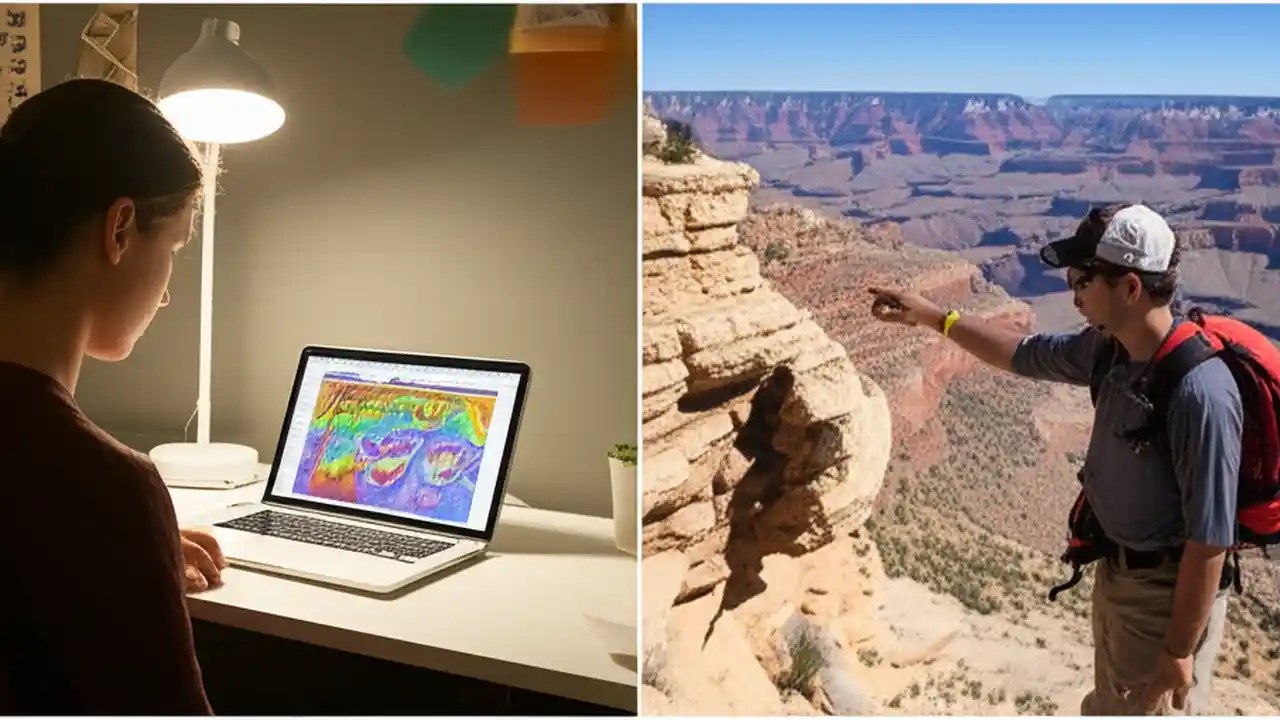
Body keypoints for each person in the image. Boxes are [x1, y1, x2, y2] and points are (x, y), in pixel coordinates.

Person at [869, 203, 1240, 716]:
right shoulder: (1109, 349)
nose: (1073, 293)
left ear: (1131, 288)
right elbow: (1020, 353)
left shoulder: (1201, 393)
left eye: (1082, 278)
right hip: (1121, 577)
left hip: (1165, 600)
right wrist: (936, 317)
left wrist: (1178, 653)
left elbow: (1209, 542)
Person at [0, 78, 228, 713]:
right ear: (120, 229)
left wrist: (134, 556)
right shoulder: (103, 486)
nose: (167, 292)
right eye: (175, 248)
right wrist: (125, 532)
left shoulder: (89, 500)